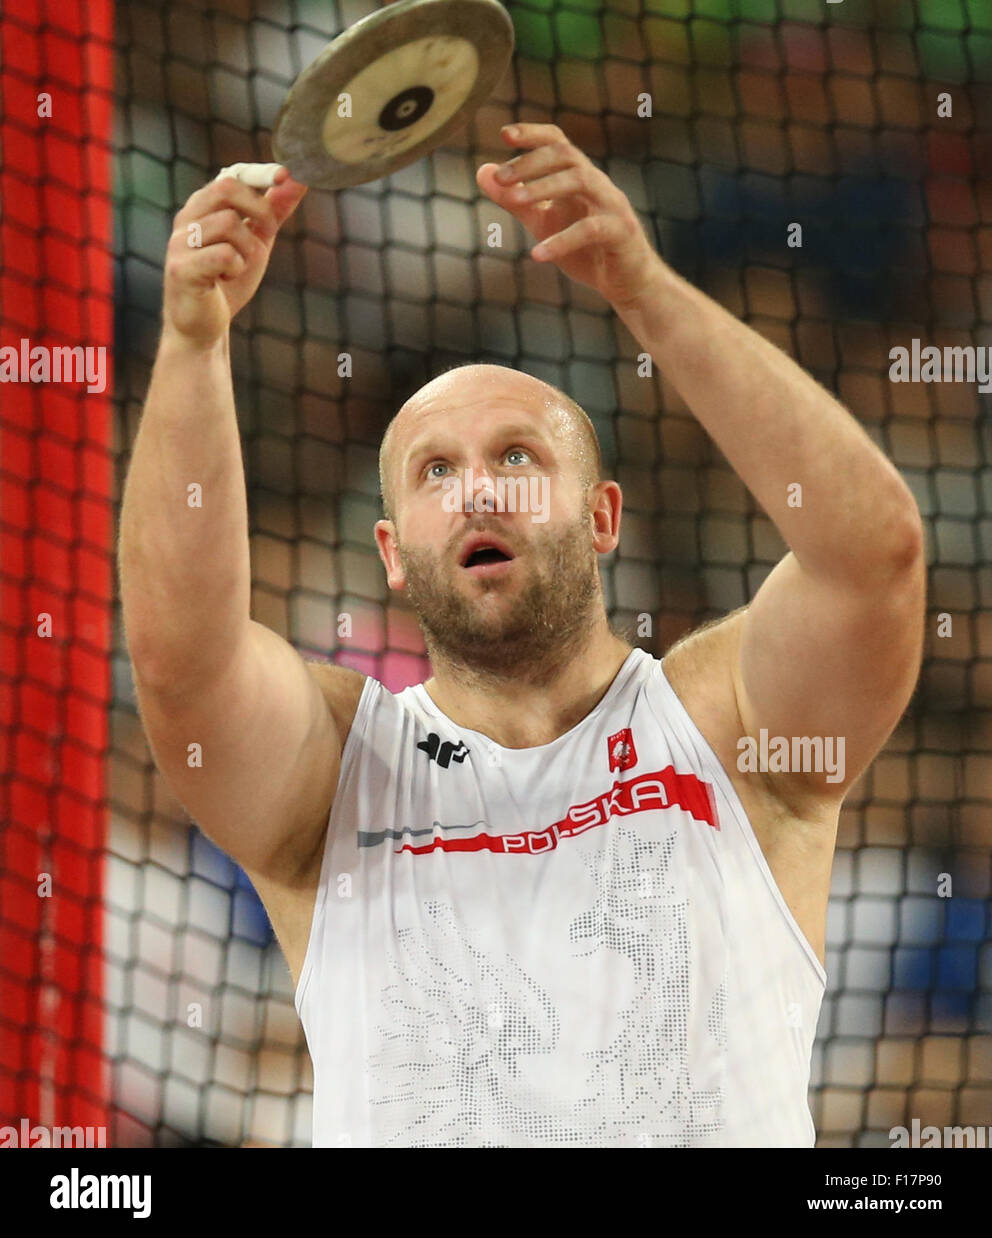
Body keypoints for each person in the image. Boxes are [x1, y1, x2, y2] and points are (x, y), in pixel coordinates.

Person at [120, 123, 925, 1147]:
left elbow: (873, 560)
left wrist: (642, 288)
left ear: (601, 517)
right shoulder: (335, 772)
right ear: (393, 554)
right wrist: (193, 343)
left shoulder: (729, 726)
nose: (477, 490)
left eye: (515, 454)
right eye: (433, 472)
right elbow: (183, 660)